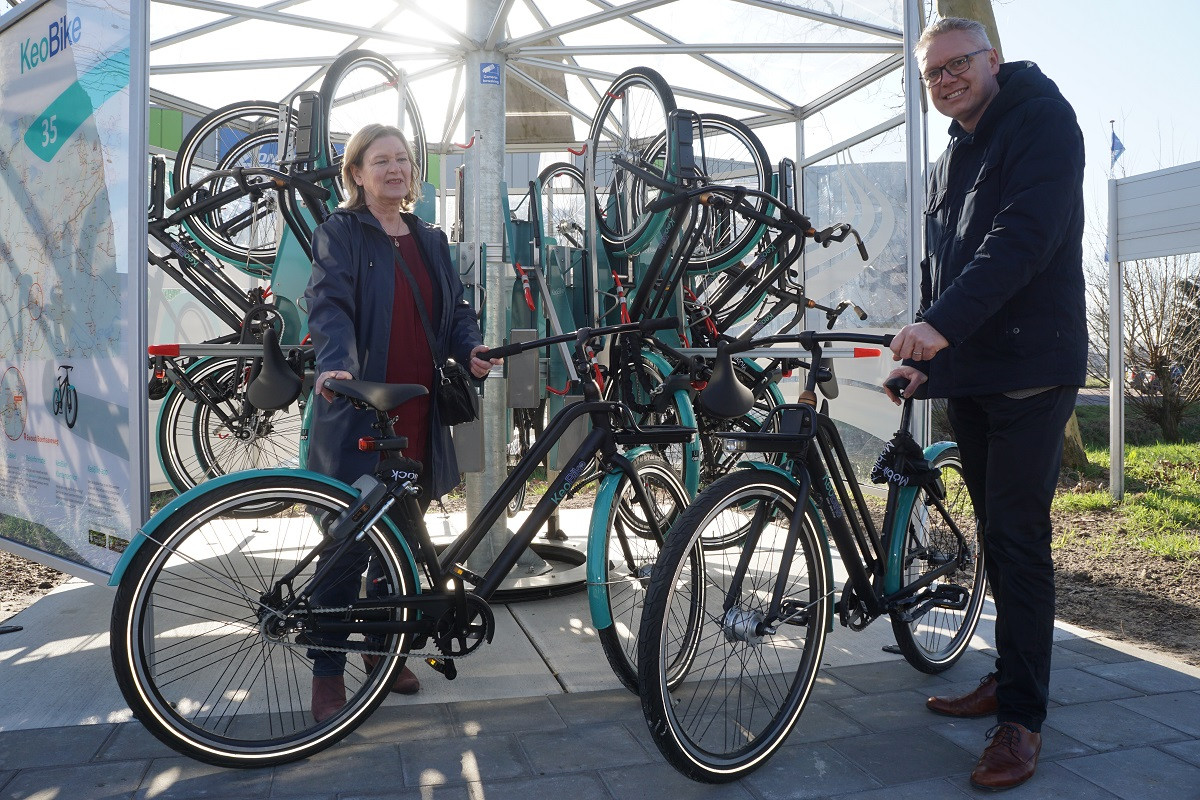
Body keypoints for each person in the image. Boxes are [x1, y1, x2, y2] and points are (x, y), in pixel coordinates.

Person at [884, 17, 1087, 792]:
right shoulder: (952, 155)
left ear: (991, 59)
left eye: (957, 64)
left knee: (1018, 538)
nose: (945, 80)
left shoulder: (1042, 121)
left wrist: (940, 327)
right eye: (932, 74)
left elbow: (1023, 237)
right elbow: (944, 267)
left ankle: (1023, 720)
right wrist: (924, 361)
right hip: (972, 374)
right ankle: (1008, 677)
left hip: (1031, 369)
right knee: (997, 540)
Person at [303, 123, 499, 721]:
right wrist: (337, 365)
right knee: (350, 543)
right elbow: (329, 305)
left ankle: (382, 651)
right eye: (380, 160)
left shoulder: (429, 237)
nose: (395, 169)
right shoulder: (340, 232)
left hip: (419, 408)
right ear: (357, 174)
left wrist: (469, 347)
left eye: (403, 160)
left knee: (405, 542)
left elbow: (456, 308)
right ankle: (328, 667)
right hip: (360, 409)